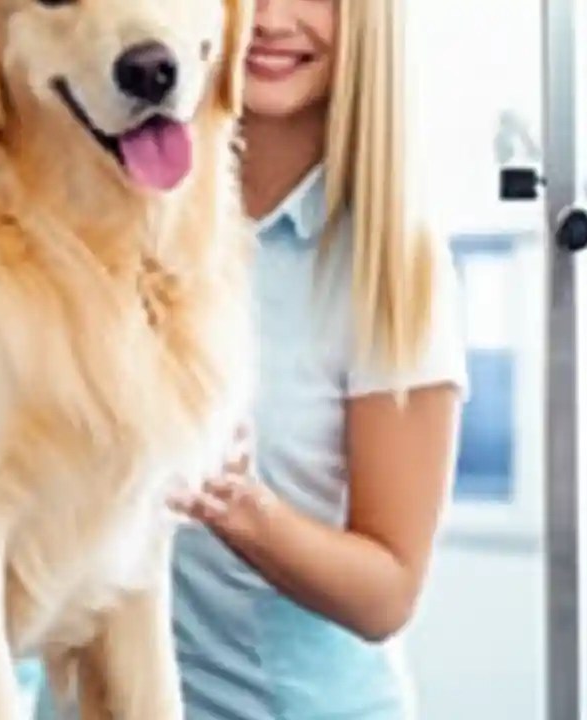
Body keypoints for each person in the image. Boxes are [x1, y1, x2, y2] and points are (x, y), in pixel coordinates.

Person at [164, 0, 468, 718]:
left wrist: (240, 507)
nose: (271, 19)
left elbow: (388, 591)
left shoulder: (393, 263)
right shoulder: (123, 215)